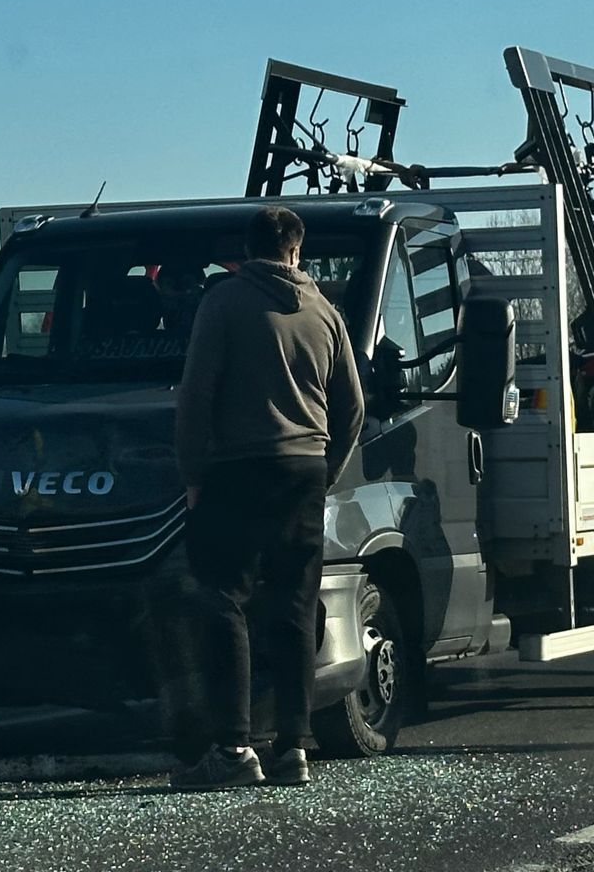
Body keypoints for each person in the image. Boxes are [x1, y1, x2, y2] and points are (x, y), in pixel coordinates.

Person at [169, 206, 365, 791]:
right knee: (295, 605)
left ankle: (232, 748)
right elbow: (352, 405)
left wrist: (192, 474)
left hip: (236, 468)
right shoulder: (325, 312)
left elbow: (196, 395)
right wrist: (326, 469)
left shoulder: (224, 303)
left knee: (223, 597)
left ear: (246, 249)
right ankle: (292, 749)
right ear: (297, 252)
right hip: (304, 468)